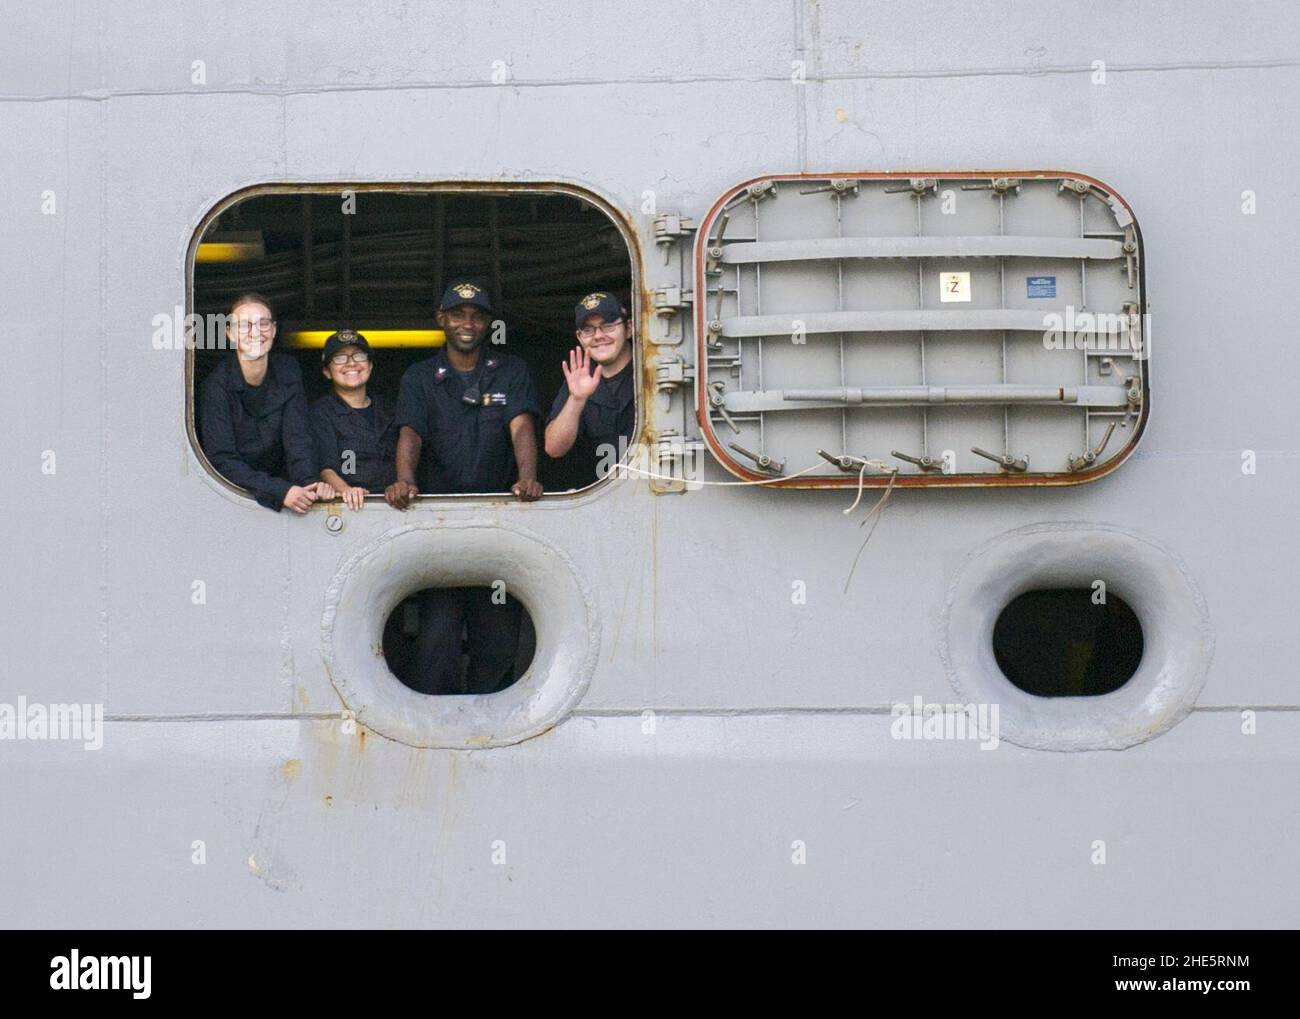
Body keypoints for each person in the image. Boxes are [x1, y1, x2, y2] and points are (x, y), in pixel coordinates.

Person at [387, 280, 543, 695]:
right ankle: (439, 724)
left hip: (499, 521)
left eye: (477, 316)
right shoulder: (419, 377)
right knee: (437, 636)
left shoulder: (511, 371)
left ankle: (490, 722)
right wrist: (405, 480)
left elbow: (522, 427)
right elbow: (411, 435)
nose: (467, 323)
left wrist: (527, 476)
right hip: (440, 524)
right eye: (458, 314)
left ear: (488, 323)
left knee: (497, 639)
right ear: (442, 320)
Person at [198, 292, 332, 513]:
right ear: (230, 333)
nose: (255, 332)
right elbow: (221, 458)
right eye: (245, 325)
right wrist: (280, 491)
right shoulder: (216, 386)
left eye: (264, 323)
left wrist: (310, 483)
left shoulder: (288, 371)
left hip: (288, 491)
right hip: (230, 496)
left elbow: (297, 440)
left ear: (274, 330)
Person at [544, 291, 635, 481]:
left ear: (628, 328)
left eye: (608, 326)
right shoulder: (579, 378)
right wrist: (577, 399)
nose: (598, 336)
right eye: (588, 330)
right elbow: (554, 448)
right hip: (607, 496)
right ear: (579, 337)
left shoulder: (650, 371)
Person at [310, 330, 397, 511]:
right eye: (340, 358)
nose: (351, 363)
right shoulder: (320, 412)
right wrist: (345, 491)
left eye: (359, 356)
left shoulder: (389, 408)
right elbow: (325, 467)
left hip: (395, 503)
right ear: (327, 371)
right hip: (350, 507)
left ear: (370, 365)